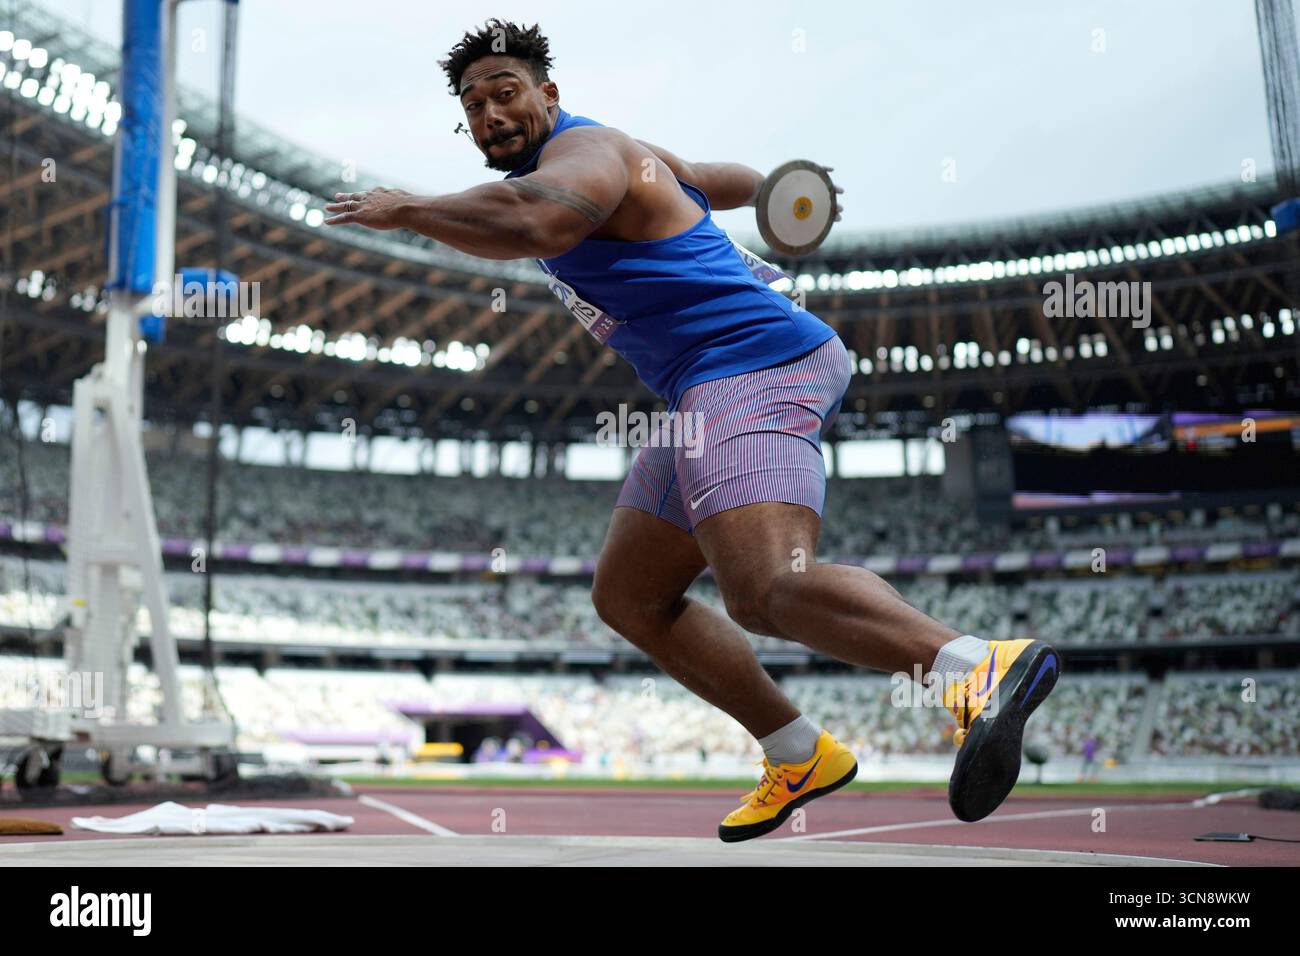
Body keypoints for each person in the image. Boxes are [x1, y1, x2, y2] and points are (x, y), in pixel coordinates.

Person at [324, 18, 1060, 841]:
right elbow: (716, 176)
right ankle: (797, 751)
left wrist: (409, 207)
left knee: (766, 589)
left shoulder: (590, 154)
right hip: (703, 389)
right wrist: (787, 191)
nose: (491, 114)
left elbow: (539, 225)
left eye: (506, 93)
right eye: (474, 105)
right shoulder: (627, 153)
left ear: (548, 95)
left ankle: (971, 667)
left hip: (753, 362)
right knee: (631, 596)